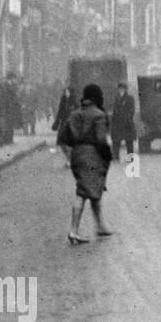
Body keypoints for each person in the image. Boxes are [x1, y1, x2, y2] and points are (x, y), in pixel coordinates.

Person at [57, 83, 114, 245]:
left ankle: (100, 226)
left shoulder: (74, 114)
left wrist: (71, 154)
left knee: (91, 189)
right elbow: (101, 139)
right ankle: (73, 231)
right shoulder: (99, 115)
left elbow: (63, 137)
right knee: (83, 192)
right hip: (92, 155)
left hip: (77, 154)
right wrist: (108, 156)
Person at [109, 82, 137, 161]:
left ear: (125, 89)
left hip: (127, 122)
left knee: (129, 141)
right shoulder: (116, 98)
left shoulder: (129, 98)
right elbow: (114, 110)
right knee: (116, 141)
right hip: (117, 122)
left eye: (122, 88)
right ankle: (115, 157)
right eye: (120, 88)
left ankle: (130, 157)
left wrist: (128, 118)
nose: (121, 90)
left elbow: (132, 110)